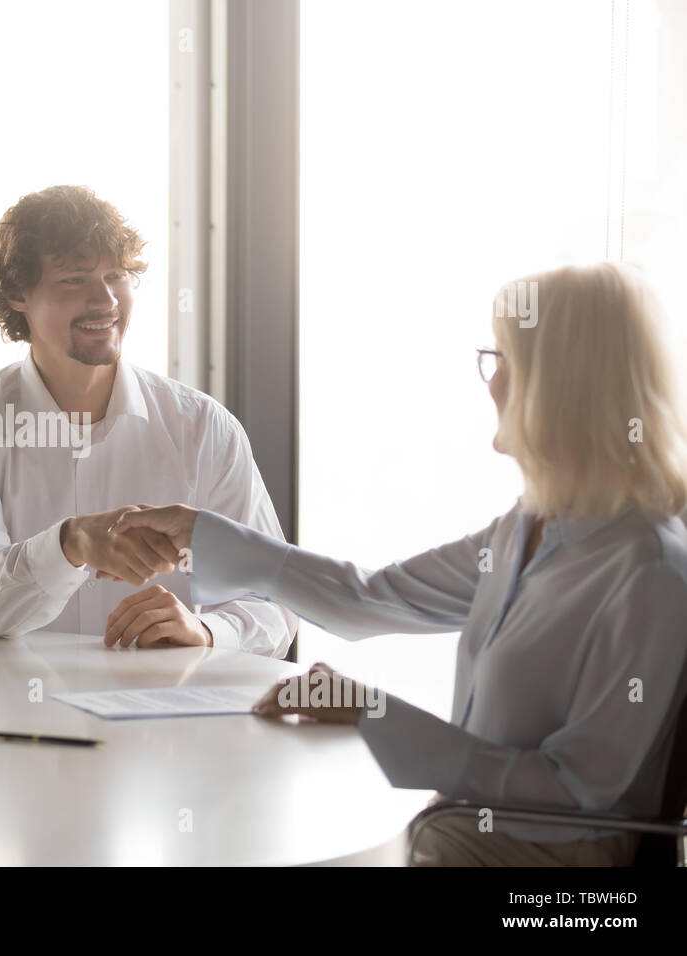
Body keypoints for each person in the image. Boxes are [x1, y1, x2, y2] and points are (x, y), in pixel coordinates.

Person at [115, 262, 687, 865]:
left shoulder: (649, 574)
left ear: (560, 386)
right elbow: (373, 596)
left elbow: (578, 792)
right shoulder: (527, 531)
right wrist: (200, 531)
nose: (491, 383)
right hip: (457, 833)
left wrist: (372, 711)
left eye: (506, 360)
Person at [0, 185, 296, 654]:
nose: (105, 301)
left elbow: (273, 597)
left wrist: (209, 632)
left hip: (162, 716)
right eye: (75, 280)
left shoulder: (203, 428)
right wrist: (70, 544)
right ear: (18, 293)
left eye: (117, 275)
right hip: (12, 719)